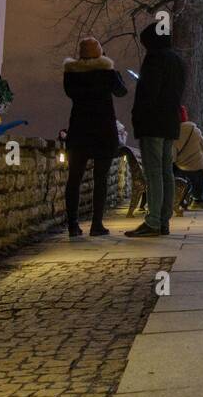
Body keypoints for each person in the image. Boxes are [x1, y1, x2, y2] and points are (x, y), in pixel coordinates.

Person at [62, 37, 127, 237]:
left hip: (79, 130)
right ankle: (96, 224)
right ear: (100, 53)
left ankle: (73, 225)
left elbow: (69, 93)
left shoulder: (71, 74)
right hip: (103, 130)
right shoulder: (107, 72)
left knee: (74, 179)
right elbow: (122, 91)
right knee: (101, 179)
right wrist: (111, 68)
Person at [127, 20, 185, 238]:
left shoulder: (155, 59)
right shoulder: (178, 61)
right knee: (166, 172)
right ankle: (164, 220)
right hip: (170, 122)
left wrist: (138, 117)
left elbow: (148, 94)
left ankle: (153, 222)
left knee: (153, 173)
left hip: (153, 123)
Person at [174, 107, 203, 208]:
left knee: (196, 173)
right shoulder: (194, 130)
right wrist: (201, 158)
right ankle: (200, 199)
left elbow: (172, 153)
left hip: (181, 165)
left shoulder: (174, 132)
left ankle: (197, 200)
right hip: (197, 164)